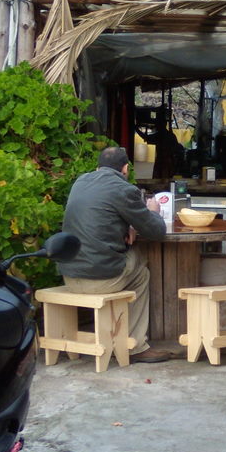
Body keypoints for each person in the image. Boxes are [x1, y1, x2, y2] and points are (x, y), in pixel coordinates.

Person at [56, 146, 172, 363]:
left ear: (97, 167)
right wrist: (154, 211)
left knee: (123, 260)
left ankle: (117, 332)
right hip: (101, 280)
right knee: (141, 267)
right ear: (126, 168)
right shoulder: (124, 189)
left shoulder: (80, 182)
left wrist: (126, 226)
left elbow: (98, 218)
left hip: (70, 276)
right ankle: (136, 346)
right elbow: (156, 232)